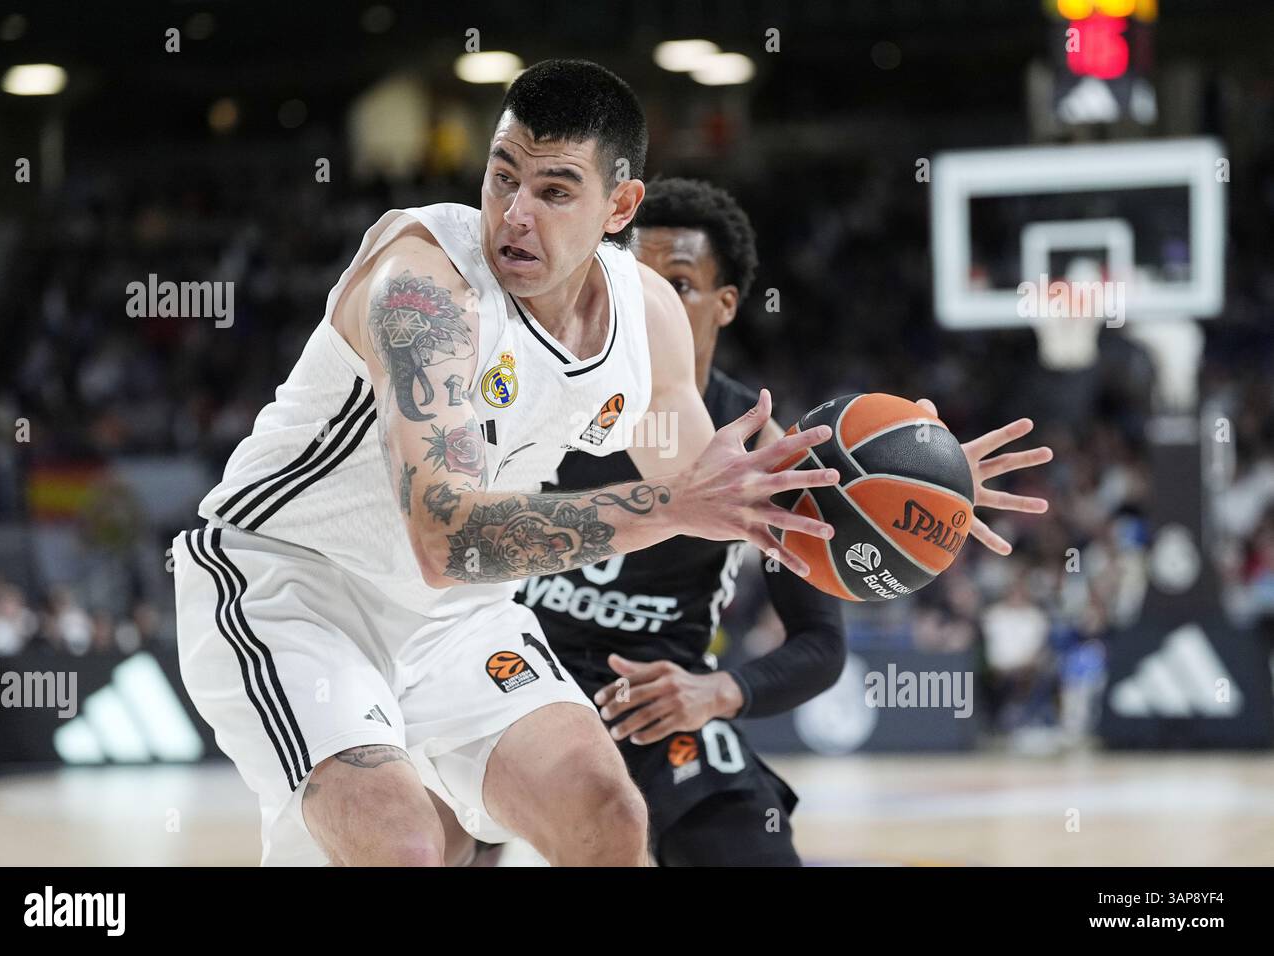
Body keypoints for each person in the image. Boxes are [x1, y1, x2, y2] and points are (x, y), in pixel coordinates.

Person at [171, 60, 843, 867]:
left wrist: (904, 499)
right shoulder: (423, 289)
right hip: (290, 584)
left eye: (556, 191)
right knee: (403, 841)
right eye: (502, 178)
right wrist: (667, 506)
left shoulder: (648, 317)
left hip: (457, 616)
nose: (516, 215)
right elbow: (446, 539)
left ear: (619, 207)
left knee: (604, 814)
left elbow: (727, 493)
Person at [518, 177, 844, 865]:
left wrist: (720, 690)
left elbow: (821, 642)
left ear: (725, 304)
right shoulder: (540, 396)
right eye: (635, 278)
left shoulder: (758, 445)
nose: (650, 301)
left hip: (652, 700)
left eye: (680, 283)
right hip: (517, 677)